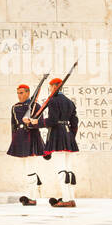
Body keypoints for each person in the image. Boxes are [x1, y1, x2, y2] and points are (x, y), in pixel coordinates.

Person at [41, 78, 80, 207]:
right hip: (68, 135)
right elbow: (74, 122)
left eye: (51, 86)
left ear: (55, 87)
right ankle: (71, 198)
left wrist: (38, 123)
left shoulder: (53, 100)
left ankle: (66, 199)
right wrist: (70, 136)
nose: (50, 89)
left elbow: (52, 121)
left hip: (58, 134)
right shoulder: (70, 102)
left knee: (61, 169)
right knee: (68, 169)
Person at [7, 83, 45, 205]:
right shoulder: (15, 107)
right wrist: (14, 139)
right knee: (26, 167)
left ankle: (32, 197)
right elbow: (13, 125)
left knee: (30, 167)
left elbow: (39, 123)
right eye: (18, 93)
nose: (19, 95)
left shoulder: (36, 105)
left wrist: (30, 122)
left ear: (28, 93)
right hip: (20, 137)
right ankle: (32, 191)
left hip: (31, 136)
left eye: (22, 93)